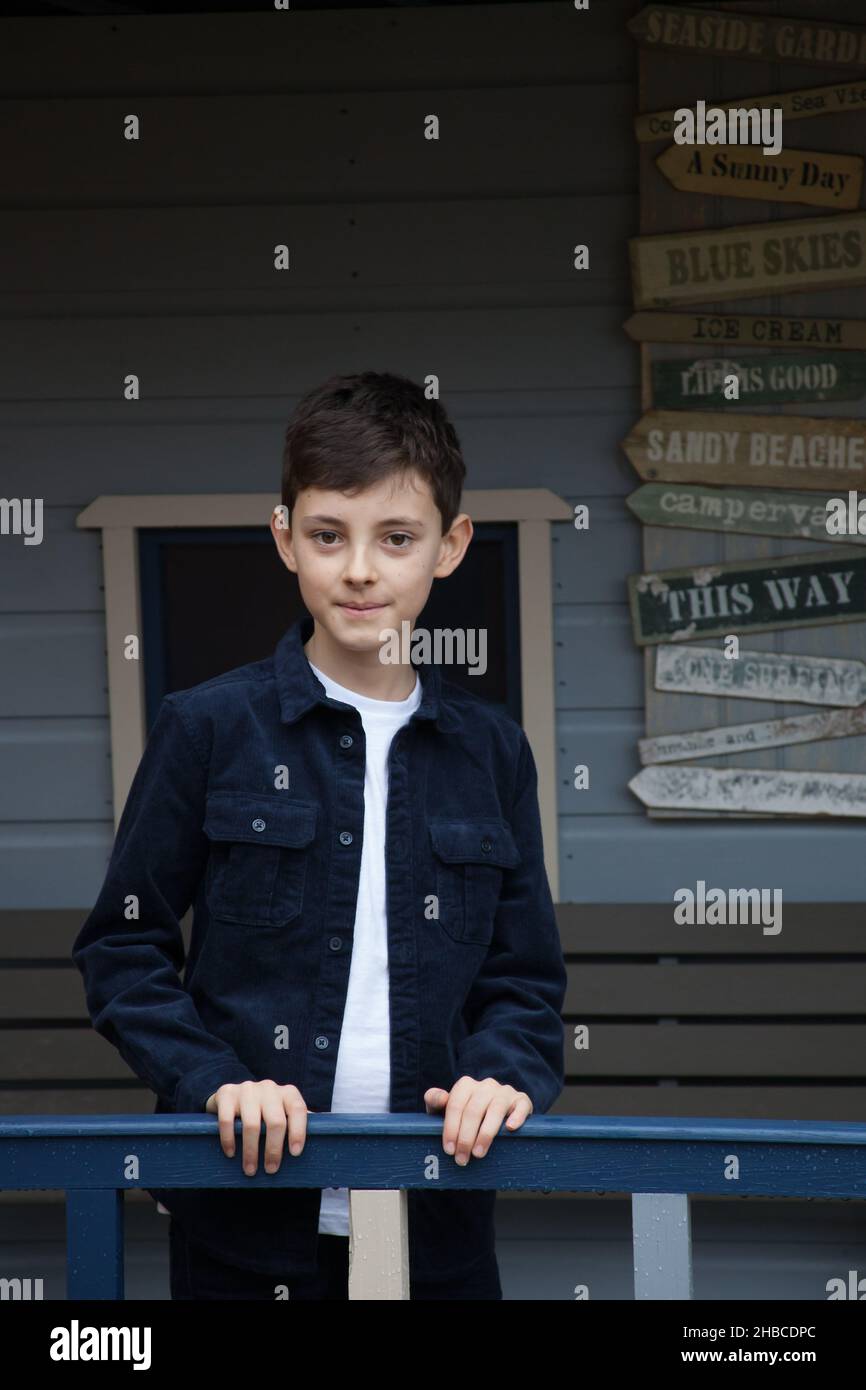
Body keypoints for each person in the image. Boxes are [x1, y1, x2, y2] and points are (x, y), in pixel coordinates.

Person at [72, 370, 567, 1300]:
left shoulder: (492, 752)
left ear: (451, 547)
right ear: (284, 539)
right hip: (246, 1223)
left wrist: (502, 1075)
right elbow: (122, 946)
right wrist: (215, 1079)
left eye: (397, 538)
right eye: (328, 535)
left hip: (436, 1218)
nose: (361, 570)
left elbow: (525, 980)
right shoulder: (208, 728)